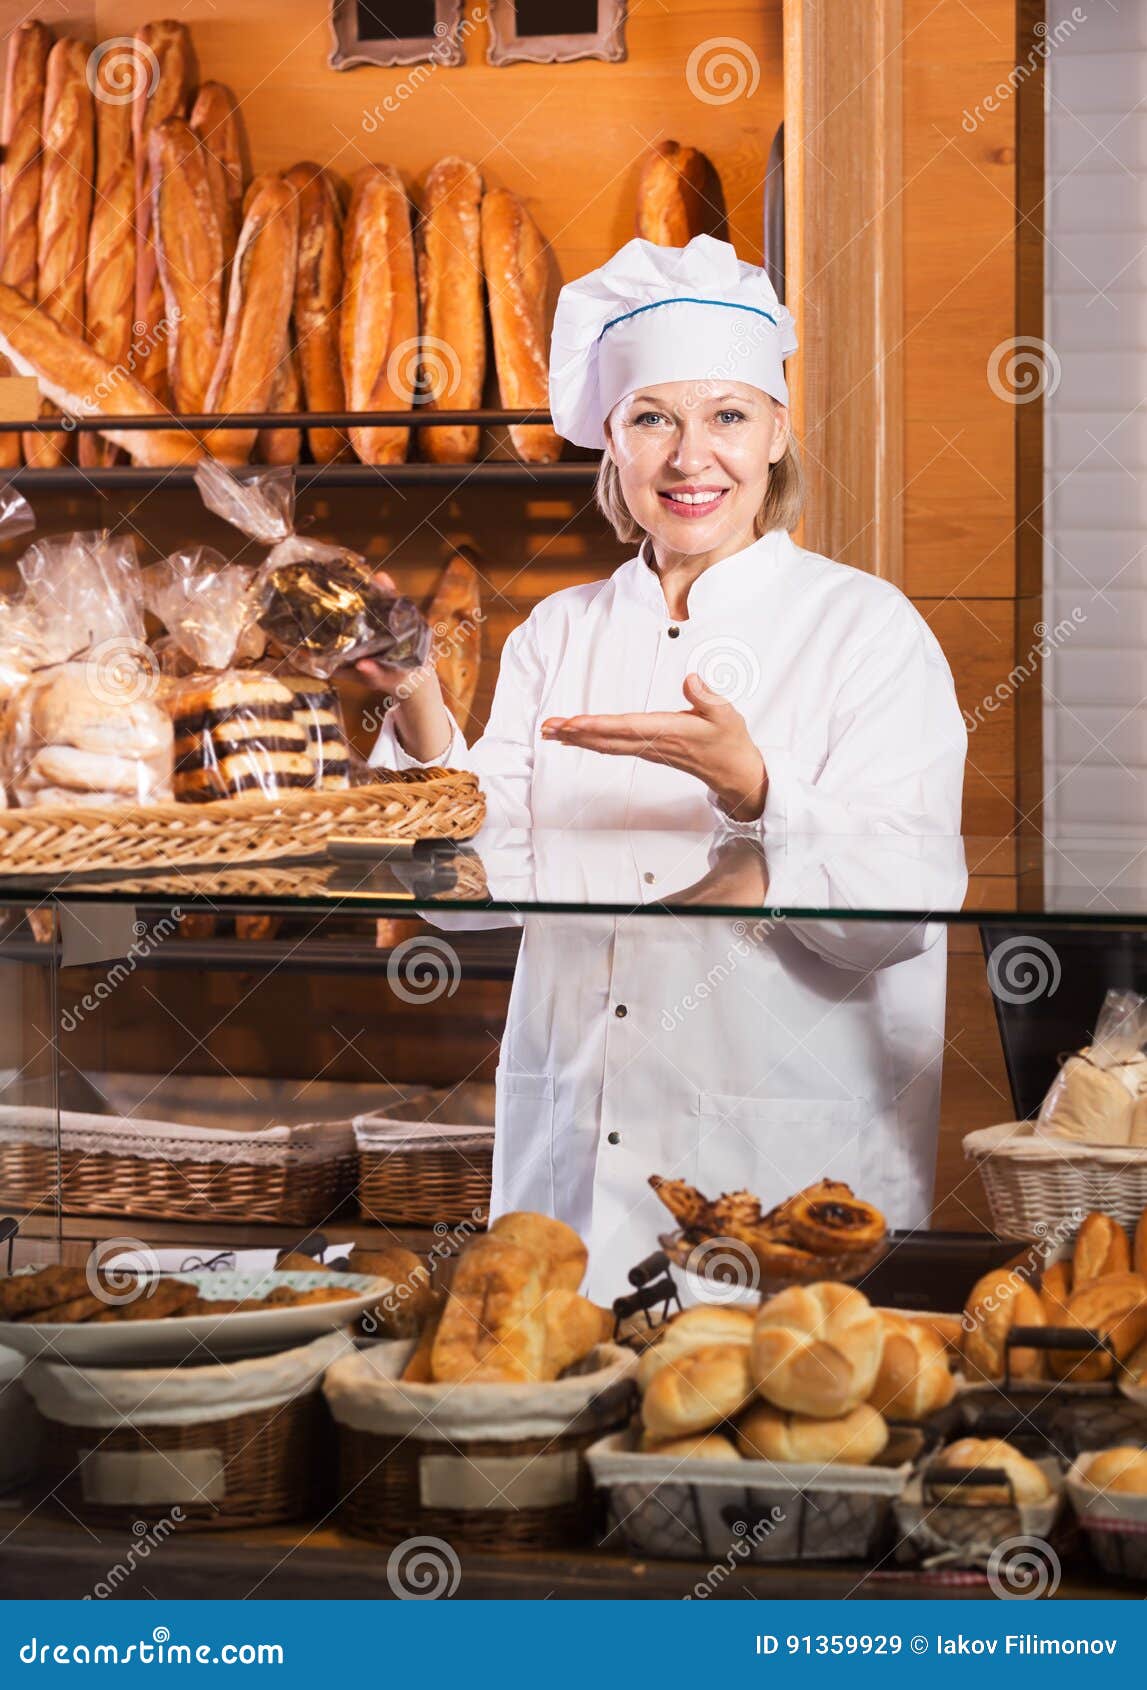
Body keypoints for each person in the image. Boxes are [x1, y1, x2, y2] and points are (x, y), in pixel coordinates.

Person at [361, 234, 968, 1304]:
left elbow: (900, 914)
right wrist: (414, 702)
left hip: (781, 1166)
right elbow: (462, 893)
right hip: (572, 1179)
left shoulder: (865, 627)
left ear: (777, 433)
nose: (692, 458)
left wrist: (759, 794)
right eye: (653, 419)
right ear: (611, 443)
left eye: (727, 416)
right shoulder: (559, 631)